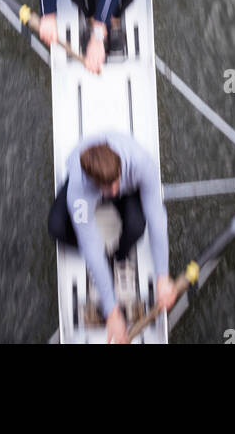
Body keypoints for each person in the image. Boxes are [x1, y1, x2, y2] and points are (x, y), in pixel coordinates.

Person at [48, 132, 177, 343]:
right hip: (90, 190)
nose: (114, 190)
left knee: (137, 226)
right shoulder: (79, 186)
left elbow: (157, 218)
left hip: (124, 182)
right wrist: (112, 313)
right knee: (56, 228)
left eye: (115, 183)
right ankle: (102, 261)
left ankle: (119, 256)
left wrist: (163, 277)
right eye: (108, 188)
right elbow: (89, 245)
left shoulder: (141, 163)